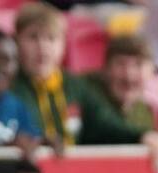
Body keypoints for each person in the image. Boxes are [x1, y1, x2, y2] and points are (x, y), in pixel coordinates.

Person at [77, 34, 158, 160]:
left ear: (151, 72)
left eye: (138, 65)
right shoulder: (85, 93)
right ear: (105, 69)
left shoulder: (143, 111)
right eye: (121, 64)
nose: (129, 75)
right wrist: (148, 137)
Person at [9, 2, 104, 151]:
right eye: (33, 37)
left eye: (51, 38)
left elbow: (106, 123)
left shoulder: (76, 85)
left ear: (64, 45)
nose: (42, 46)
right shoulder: (10, 86)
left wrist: (143, 135)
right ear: (16, 41)